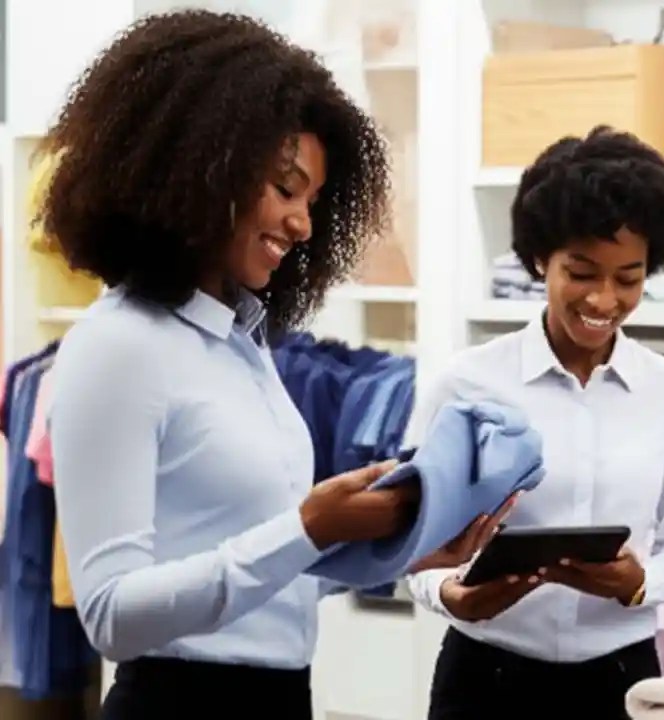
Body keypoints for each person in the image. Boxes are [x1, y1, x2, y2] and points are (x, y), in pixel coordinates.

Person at [40, 11, 510, 719]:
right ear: (198, 166)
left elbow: (260, 575)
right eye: (285, 189)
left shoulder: (242, 340)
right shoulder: (117, 347)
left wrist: (400, 548)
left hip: (284, 696)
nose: (303, 225)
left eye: (314, 201)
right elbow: (111, 616)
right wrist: (311, 526)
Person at [408, 125, 664, 719]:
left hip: (620, 681)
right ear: (539, 259)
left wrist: (639, 584)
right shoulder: (467, 382)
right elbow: (411, 544)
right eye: (581, 272)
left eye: (628, 278)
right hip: (484, 679)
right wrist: (452, 595)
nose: (603, 300)